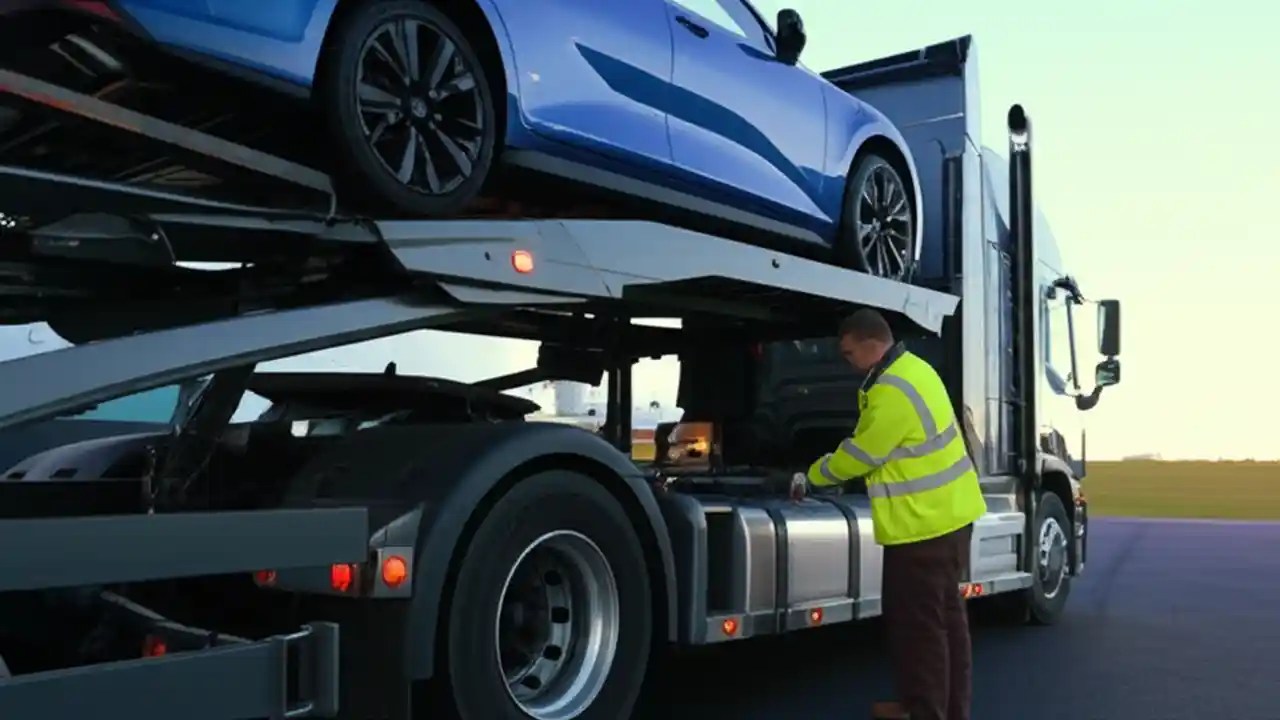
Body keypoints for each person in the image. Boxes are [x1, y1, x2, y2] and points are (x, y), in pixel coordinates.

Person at [796, 308, 987, 720]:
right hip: (948, 519)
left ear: (870, 344)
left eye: (848, 354)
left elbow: (861, 454)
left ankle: (923, 711)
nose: (847, 363)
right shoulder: (915, 369)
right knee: (946, 624)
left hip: (922, 528)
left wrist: (810, 476)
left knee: (919, 629)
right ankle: (946, 709)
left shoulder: (892, 390)